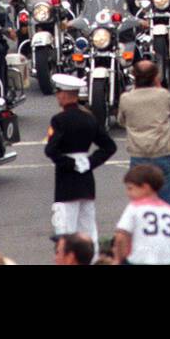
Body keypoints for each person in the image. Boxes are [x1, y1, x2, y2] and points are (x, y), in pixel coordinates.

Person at [45, 73, 117, 244]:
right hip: (86, 180)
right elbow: (109, 146)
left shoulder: (59, 120)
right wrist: (90, 162)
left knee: (65, 230)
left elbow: (51, 150)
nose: (57, 96)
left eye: (58, 93)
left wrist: (70, 163)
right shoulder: (89, 118)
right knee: (88, 230)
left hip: (66, 180)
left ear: (64, 94)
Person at [116, 60, 170, 206]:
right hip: (161, 151)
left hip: (138, 153)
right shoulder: (162, 94)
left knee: (140, 200)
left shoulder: (126, 98)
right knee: (166, 199)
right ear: (155, 77)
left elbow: (121, 120)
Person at [112, 164, 170, 265]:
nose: (128, 193)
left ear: (145, 187)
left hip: (139, 260)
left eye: (130, 188)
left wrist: (118, 259)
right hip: (167, 261)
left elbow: (121, 235)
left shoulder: (134, 208)